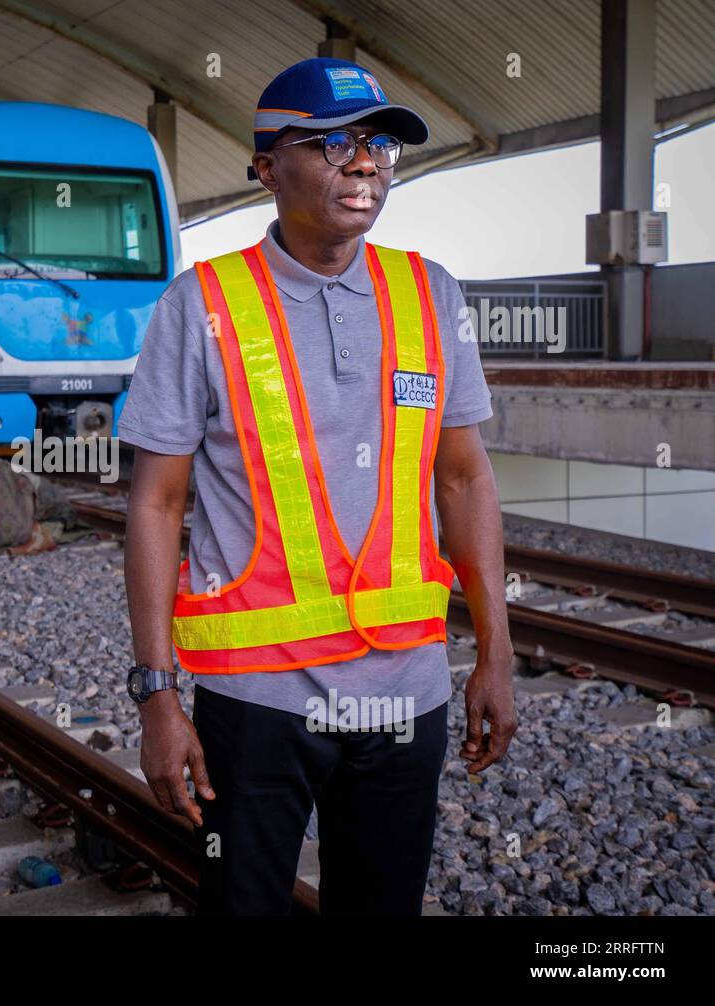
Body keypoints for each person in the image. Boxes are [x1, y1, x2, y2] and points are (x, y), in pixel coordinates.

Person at [120, 57, 517, 916]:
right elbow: (155, 504)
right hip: (255, 708)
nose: (365, 162)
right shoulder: (202, 305)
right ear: (266, 165)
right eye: (333, 142)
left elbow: (463, 476)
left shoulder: (430, 294)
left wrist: (495, 650)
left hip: (408, 698)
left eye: (377, 143)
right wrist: (158, 695)